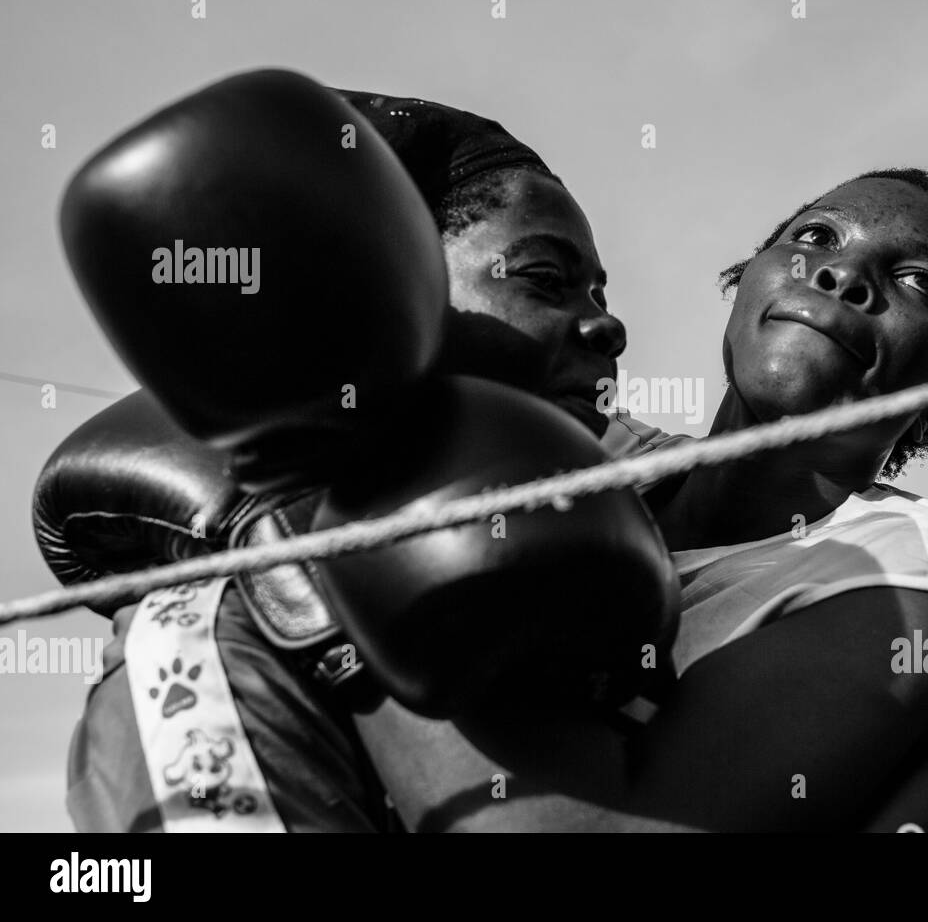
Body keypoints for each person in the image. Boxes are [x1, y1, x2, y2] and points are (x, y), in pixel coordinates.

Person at [368, 167, 928, 832]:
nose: (844, 275)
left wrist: (325, 531)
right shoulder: (590, 452)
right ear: (747, 280)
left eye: (918, 282)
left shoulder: (918, 566)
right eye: (817, 237)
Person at [49, 86, 632, 832]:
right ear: (390, 280)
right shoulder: (211, 608)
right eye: (544, 279)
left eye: (599, 292)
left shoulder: (649, 479)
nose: (608, 324)